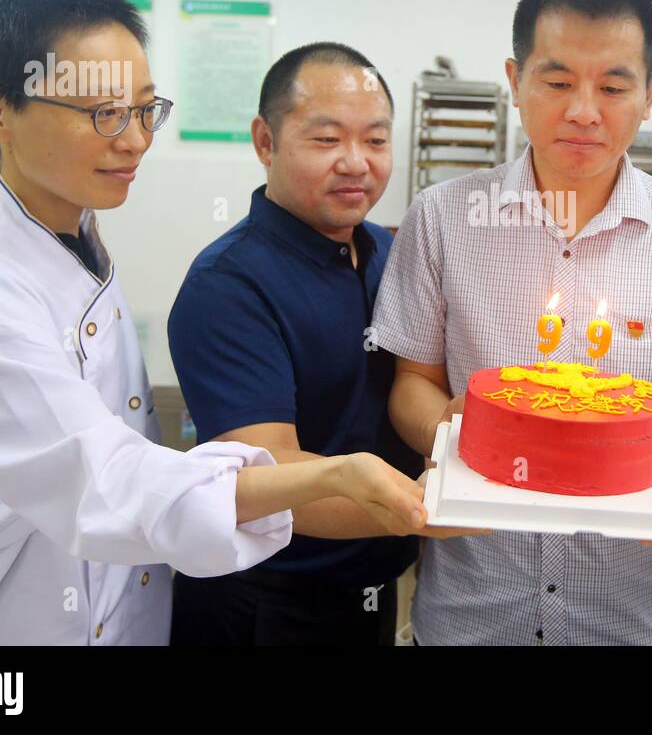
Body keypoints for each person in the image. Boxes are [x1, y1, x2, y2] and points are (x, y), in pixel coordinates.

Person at [0, 0, 426, 645]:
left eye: (143, 110)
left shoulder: (71, 239)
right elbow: (107, 484)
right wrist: (341, 477)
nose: (134, 140)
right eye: (102, 113)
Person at [371, 0, 652, 645]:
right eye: (556, 81)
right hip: (472, 611)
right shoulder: (443, 219)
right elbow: (411, 384)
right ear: (515, 82)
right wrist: (457, 432)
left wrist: (597, 448)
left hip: (627, 617)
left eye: (613, 86)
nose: (583, 111)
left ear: (651, 93)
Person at [168, 43, 460, 646]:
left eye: (375, 140)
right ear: (266, 141)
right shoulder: (228, 286)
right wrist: (434, 507)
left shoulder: (386, 252)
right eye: (327, 139)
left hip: (373, 582)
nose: (356, 162)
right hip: (265, 602)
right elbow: (270, 475)